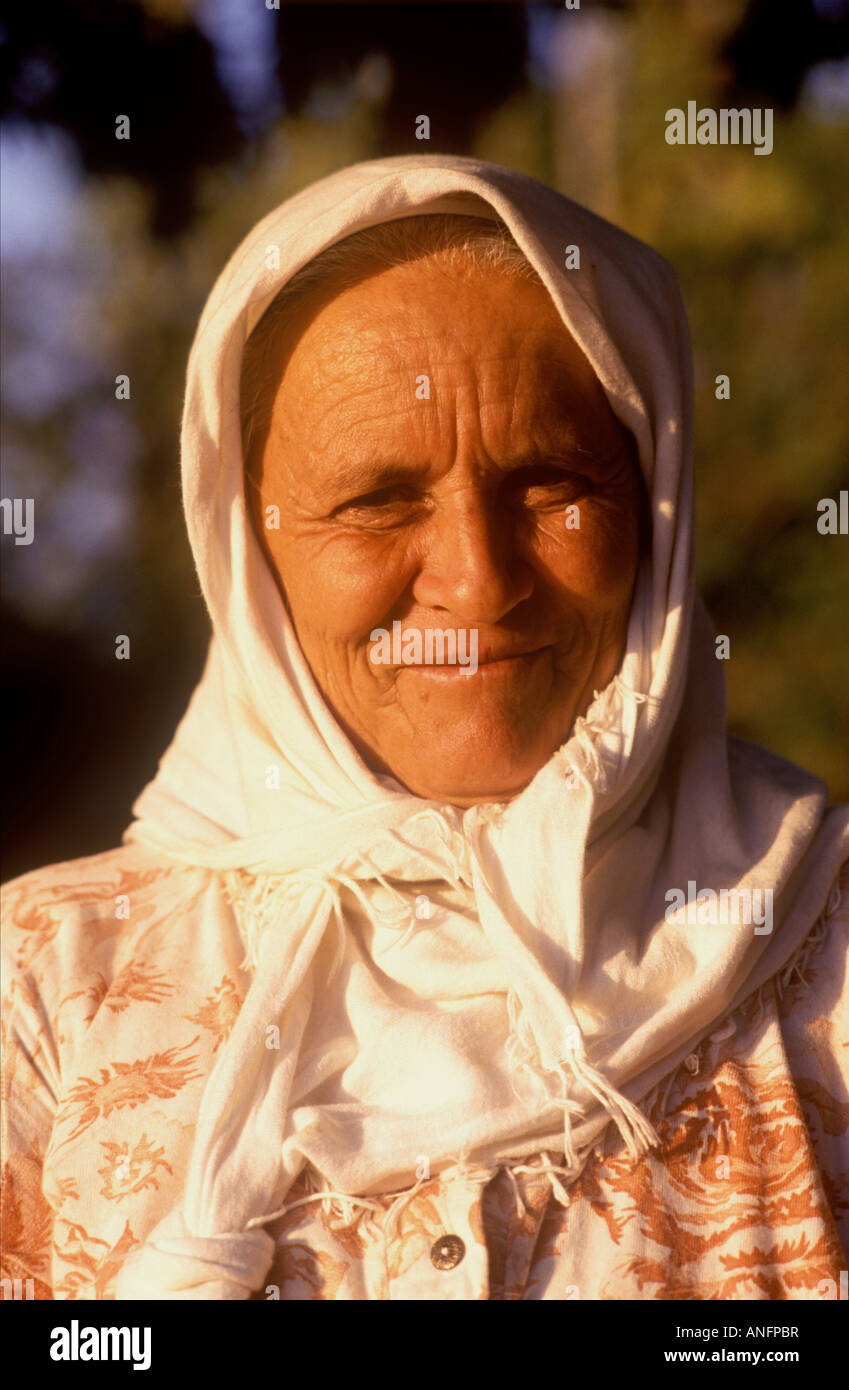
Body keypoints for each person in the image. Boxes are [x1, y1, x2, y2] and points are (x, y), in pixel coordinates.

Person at [2, 155, 847, 1302]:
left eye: (553, 482)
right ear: (251, 557)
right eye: (378, 500)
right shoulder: (45, 992)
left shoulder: (822, 945)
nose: (478, 580)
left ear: (655, 505)